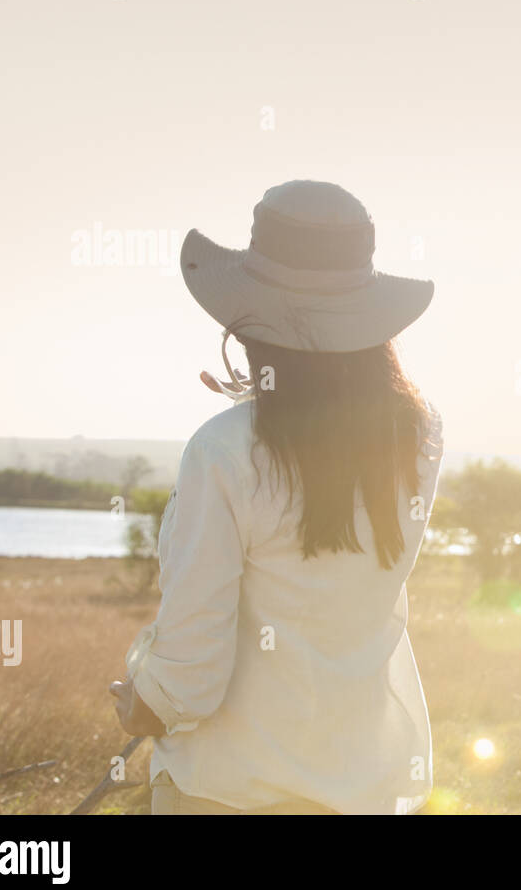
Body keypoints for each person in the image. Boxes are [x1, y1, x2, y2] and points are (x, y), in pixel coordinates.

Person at [109, 180, 443, 814]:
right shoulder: (419, 436)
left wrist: (144, 701)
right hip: (366, 787)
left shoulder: (224, 450)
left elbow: (190, 676)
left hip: (229, 789)